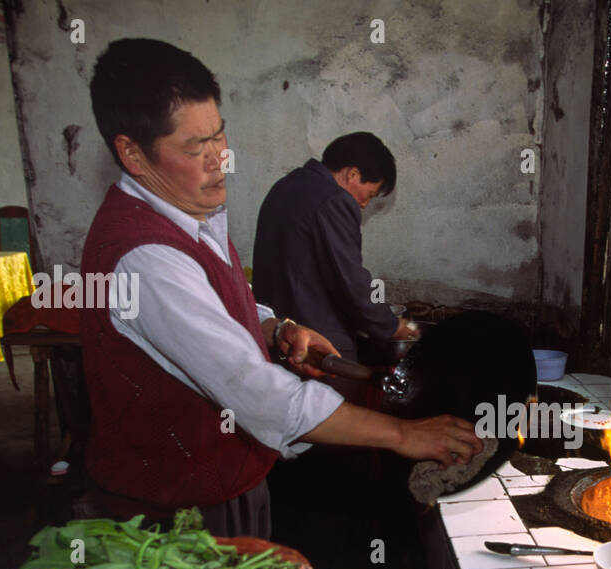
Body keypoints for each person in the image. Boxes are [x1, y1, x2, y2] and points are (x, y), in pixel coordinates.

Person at [80, 38, 477, 540]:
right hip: (180, 511)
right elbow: (256, 394)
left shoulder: (191, 211)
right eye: (194, 148)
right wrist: (403, 434)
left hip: (229, 479)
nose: (218, 161)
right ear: (133, 154)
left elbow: (220, 301)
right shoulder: (145, 257)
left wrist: (273, 327)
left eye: (219, 137)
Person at [252, 132, 410, 374]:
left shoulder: (284, 186)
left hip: (276, 335)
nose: (365, 205)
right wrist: (391, 326)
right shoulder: (334, 199)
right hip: (318, 343)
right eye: (369, 195)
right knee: (334, 408)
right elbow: (351, 282)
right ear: (353, 174)